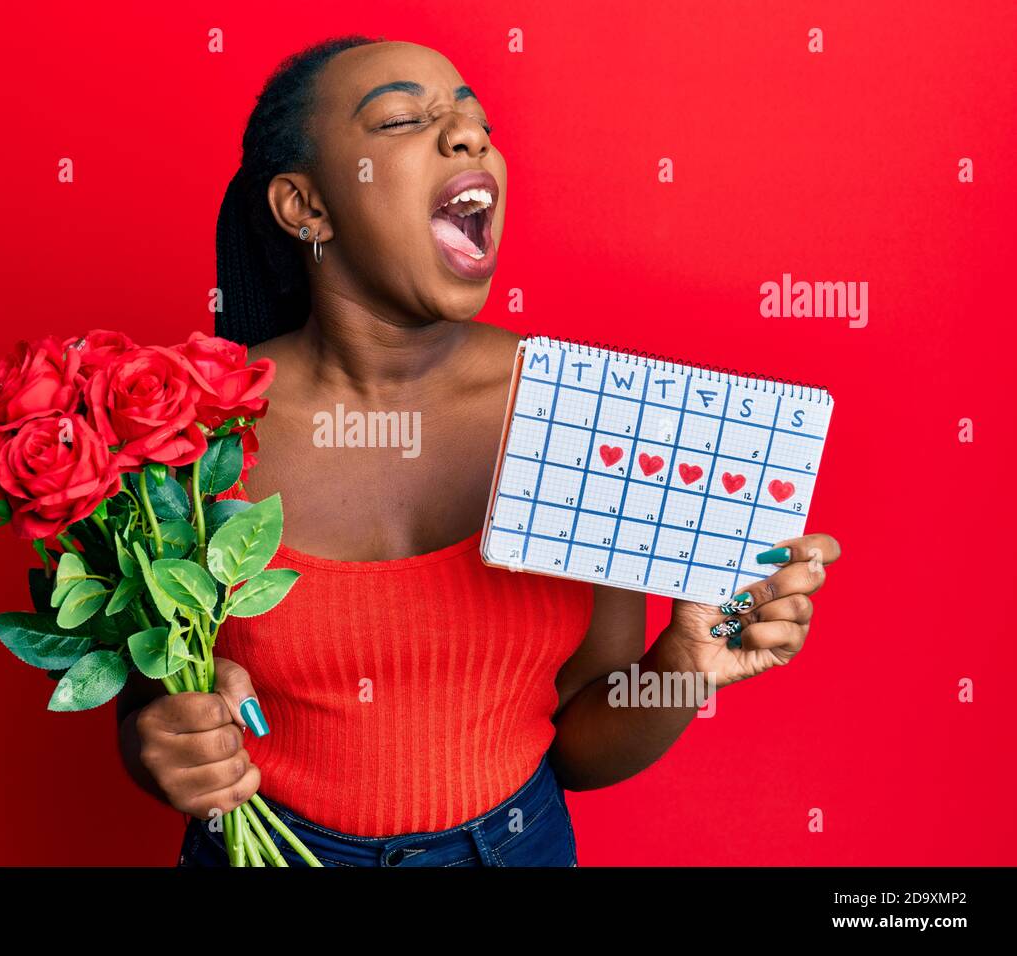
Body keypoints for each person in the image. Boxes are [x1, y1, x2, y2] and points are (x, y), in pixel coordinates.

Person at [116, 35, 841, 867]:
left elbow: (580, 743)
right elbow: (149, 714)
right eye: (400, 119)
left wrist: (683, 664)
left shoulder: (580, 411)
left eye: (474, 121)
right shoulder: (188, 428)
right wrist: (162, 745)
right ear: (305, 207)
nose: (466, 135)